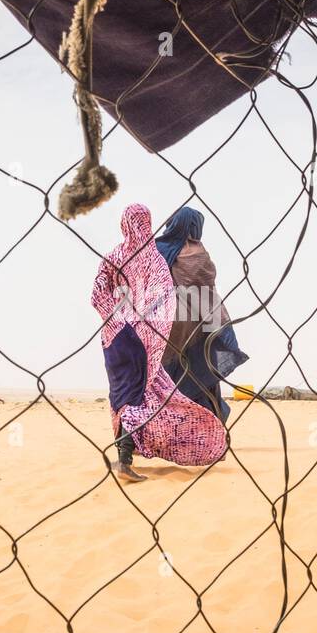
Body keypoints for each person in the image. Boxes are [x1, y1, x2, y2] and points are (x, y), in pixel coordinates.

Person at [92, 204, 228, 483]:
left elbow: (97, 294)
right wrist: (152, 332)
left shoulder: (114, 256)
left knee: (119, 394)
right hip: (142, 339)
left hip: (113, 337)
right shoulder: (153, 260)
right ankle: (126, 458)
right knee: (139, 394)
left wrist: (114, 316)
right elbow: (164, 300)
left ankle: (124, 456)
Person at [154, 206, 249, 421]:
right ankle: (209, 424)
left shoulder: (155, 248)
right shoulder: (197, 253)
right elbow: (207, 293)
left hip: (161, 325)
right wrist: (222, 330)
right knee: (204, 369)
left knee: (164, 376)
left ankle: (167, 426)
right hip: (197, 322)